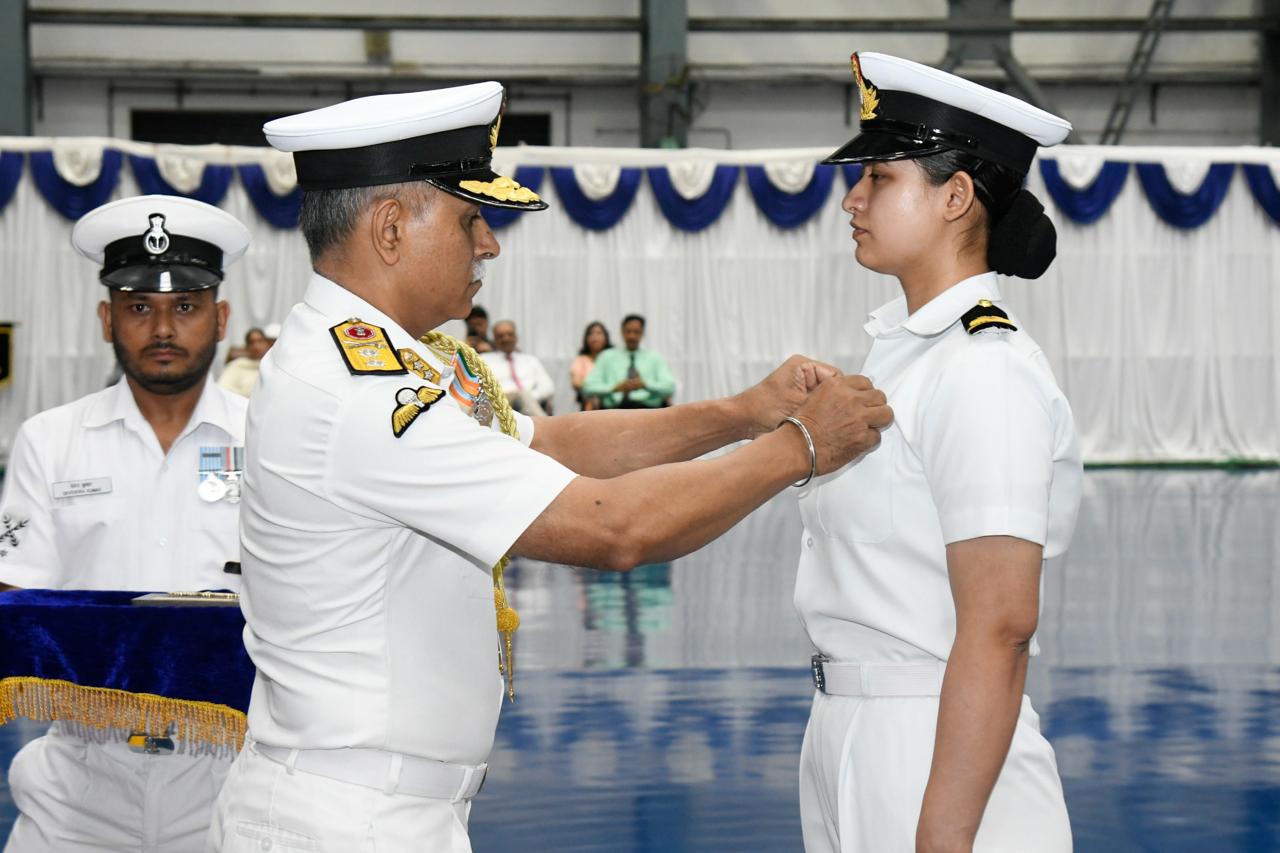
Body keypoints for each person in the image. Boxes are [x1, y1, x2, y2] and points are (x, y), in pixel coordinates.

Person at [207, 80, 892, 853]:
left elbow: (555, 445)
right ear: (391, 228)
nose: (490, 244)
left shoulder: (395, 364)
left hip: (381, 804)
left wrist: (743, 412)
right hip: (344, 816)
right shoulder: (358, 392)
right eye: (472, 219)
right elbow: (615, 528)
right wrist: (800, 446)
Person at [793, 53, 1082, 853]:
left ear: (956, 196)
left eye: (880, 178)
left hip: (937, 748)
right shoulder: (897, 356)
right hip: (851, 731)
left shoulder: (982, 368)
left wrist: (944, 836)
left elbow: (1000, 623)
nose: (852, 198)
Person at [0, 195, 251, 852]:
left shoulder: (272, 440)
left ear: (221, 317)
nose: (162, 327)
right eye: (139, 307)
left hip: (232, 777)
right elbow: (22, 599)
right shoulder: (49, 440)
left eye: (186, 306)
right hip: (81, 783)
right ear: (106, 317)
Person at [581, 314, 675, 409]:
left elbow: (670, 386)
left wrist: (646, 385)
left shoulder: (655, 358)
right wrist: (614, 388)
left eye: (636, 332)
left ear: (642, 333)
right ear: (622, 332)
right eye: (628, 331)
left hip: (648, 411)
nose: (632, 336)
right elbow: (588, 387)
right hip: (614, 411)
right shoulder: (606, 357)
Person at [479, 319, 555, 416]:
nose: (506, 339)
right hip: (499, 403)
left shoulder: (530, 360)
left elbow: (548, 387)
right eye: (500, 336)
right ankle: (545, 428)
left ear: (516, 337)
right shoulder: (484, 360)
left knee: (522, 396)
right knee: (520, 395)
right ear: (494, 339)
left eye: (510, 334)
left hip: (529, 402)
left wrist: (529, 397)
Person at [216, 323, 277, 397]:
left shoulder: (274, 365)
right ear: (247, 347)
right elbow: (222, 389)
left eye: (260, 341)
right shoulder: (237, 366)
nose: (256, 346)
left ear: (267, 344)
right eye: (252, 342)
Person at [570, 320, 610, 410]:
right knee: (593, 399)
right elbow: (576, 383)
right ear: (586, 338)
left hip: (613, 395)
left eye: (599, 333)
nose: (595, 337)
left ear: (606, 337)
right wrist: (597, 388)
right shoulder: (581, 359)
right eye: (591, 334)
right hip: (591, 398)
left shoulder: (613, 357)